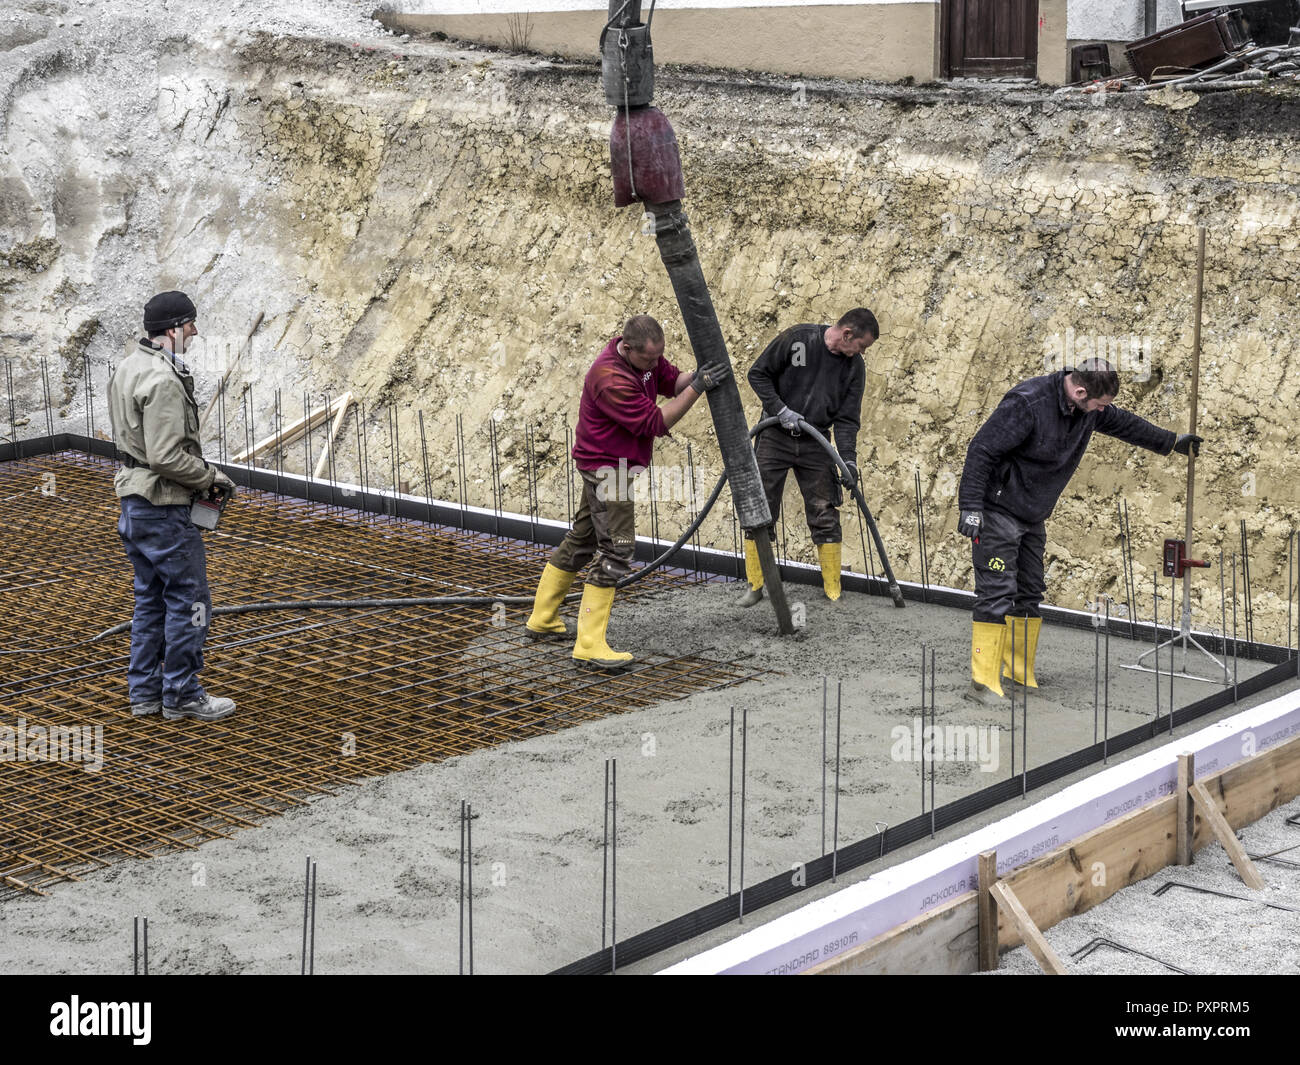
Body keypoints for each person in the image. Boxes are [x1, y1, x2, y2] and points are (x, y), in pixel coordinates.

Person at [957, 359, 1203, 704]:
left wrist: (1172, 442)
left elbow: (1125, 424)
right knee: (997, 592)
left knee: (1029, 592)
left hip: (1032, 513)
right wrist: (970, 506)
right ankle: (983, 683)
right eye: (1100, 404)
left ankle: (1017, 673)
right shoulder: (1028, 403)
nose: (1103, 411)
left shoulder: (1087, 408)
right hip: (997, 511)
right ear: (1081, 391)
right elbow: (981, 449)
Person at [525, 314, 727, 668]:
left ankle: (542, 619)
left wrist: (694, 377)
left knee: (582, 539)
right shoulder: (610, 378)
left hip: (610, 464)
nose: (654, 363)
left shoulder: (644, 357)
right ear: (627, 346)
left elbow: (670, 380)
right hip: (607, 469)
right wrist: (699, 388)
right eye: (648, 358)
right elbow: (656, 422)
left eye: (657, 357)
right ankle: (588, 644)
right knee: (616, 552)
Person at [107, 290, 238, 721]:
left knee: (151, 601)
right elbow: (165, 456)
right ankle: (182, 693)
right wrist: (210, 478)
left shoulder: (129, 366)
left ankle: (144, 693)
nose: (196, 332)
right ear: (174, 329)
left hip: (134, 504)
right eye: (191, 324)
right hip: (163, 507)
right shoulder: (163, 380)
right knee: (191, 601)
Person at [740, 307, 879, 605]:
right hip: (775, 435)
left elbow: (846, 419)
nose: (861, 353)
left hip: (817, 442)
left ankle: (832, 588)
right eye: (862, 346)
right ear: (847, 334)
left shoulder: (853, 368)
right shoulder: (798, 339)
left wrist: (848, 459)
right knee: (759, 508)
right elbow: (758, 374)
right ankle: (755, 586)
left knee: (825, 511)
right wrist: (779, 409)